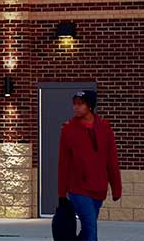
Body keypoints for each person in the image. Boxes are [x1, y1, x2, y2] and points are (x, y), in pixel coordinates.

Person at [56, 89, 121, 241]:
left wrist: (116, 187)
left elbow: (111, 160)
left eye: (80, 104)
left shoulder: (105, 129)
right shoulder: (68, 130)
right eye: (74, 104)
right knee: (90, 227)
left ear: (90, 106)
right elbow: (63, 162)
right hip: (78, 188)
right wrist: (61, 193)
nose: (75, 107)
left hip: (98, 188)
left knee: (87, 229)